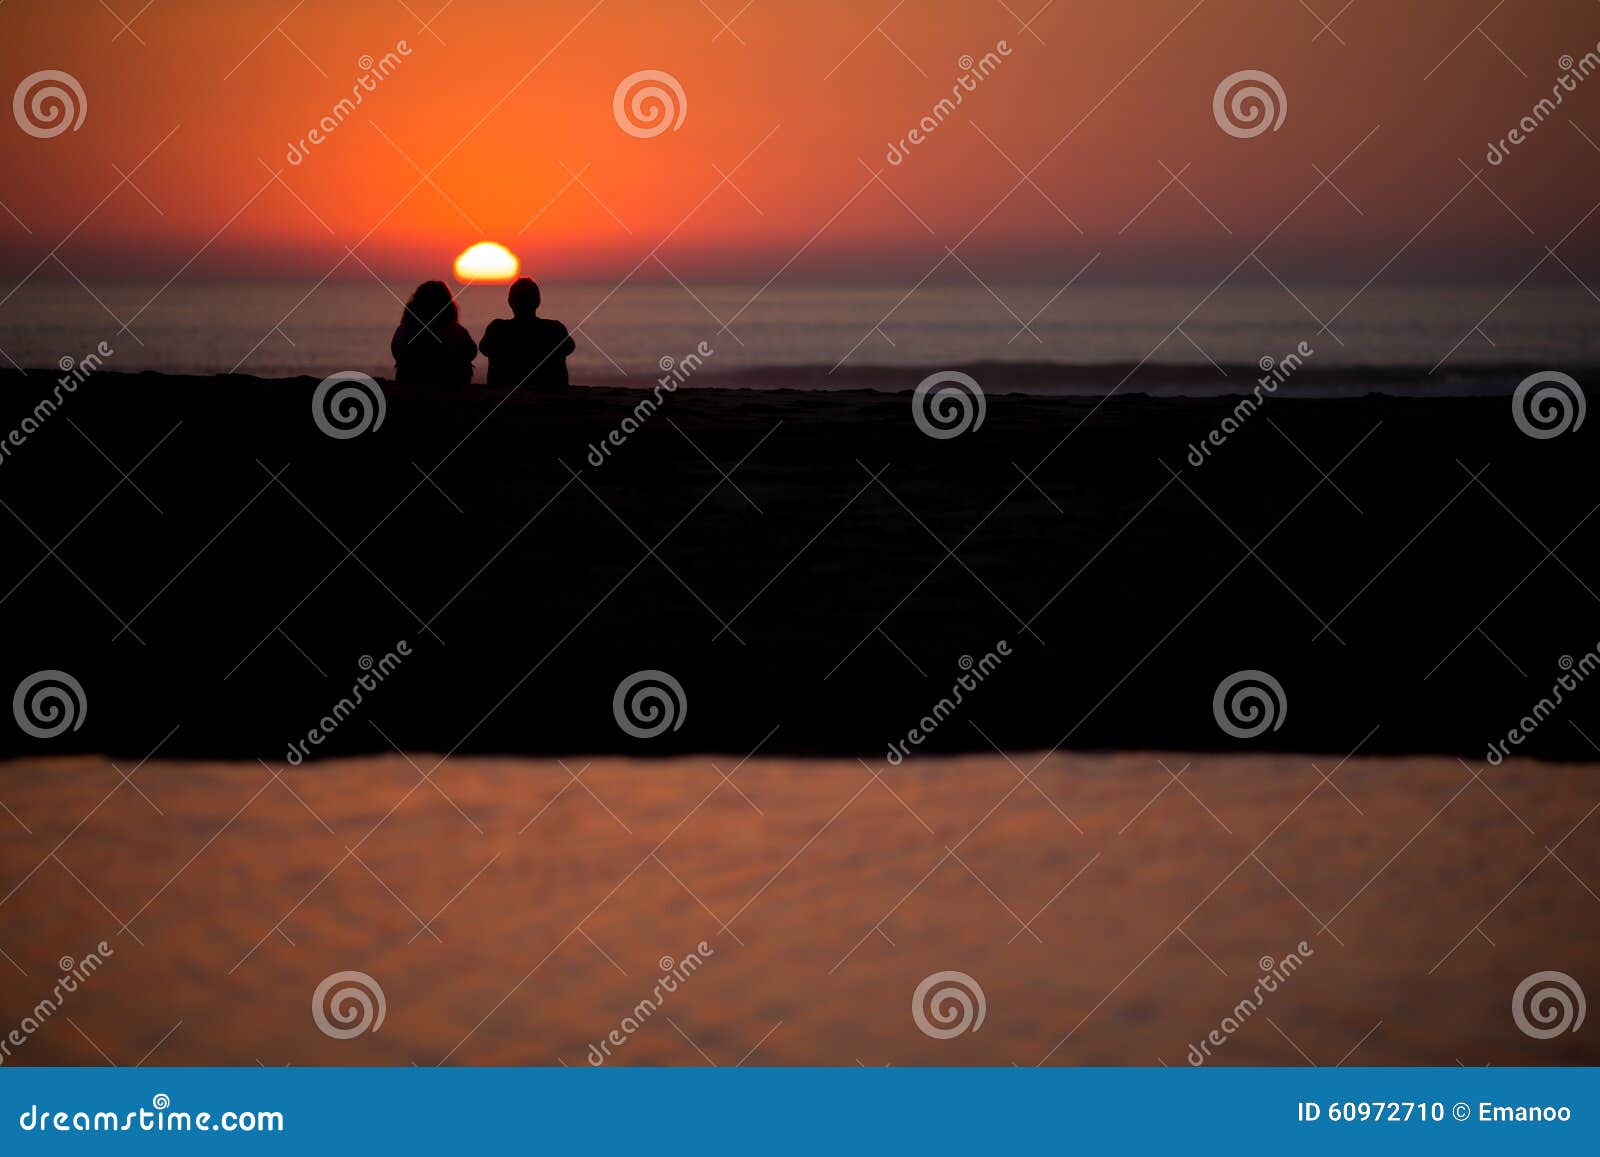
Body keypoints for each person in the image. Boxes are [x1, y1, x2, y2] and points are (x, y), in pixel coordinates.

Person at [479, 278, 576, 389]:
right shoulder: (555, 329)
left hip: (504, 393)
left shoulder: (496, 328)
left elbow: (483, 348)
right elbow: (569, 348)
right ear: (538, 301)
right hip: (549, 393)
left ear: (510, 301)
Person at [391, 280, 476, 386]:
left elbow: (396, 352)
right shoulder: (457, 331)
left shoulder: (403, 330)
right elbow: (472, 352)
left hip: (409, 381)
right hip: (451, 384)